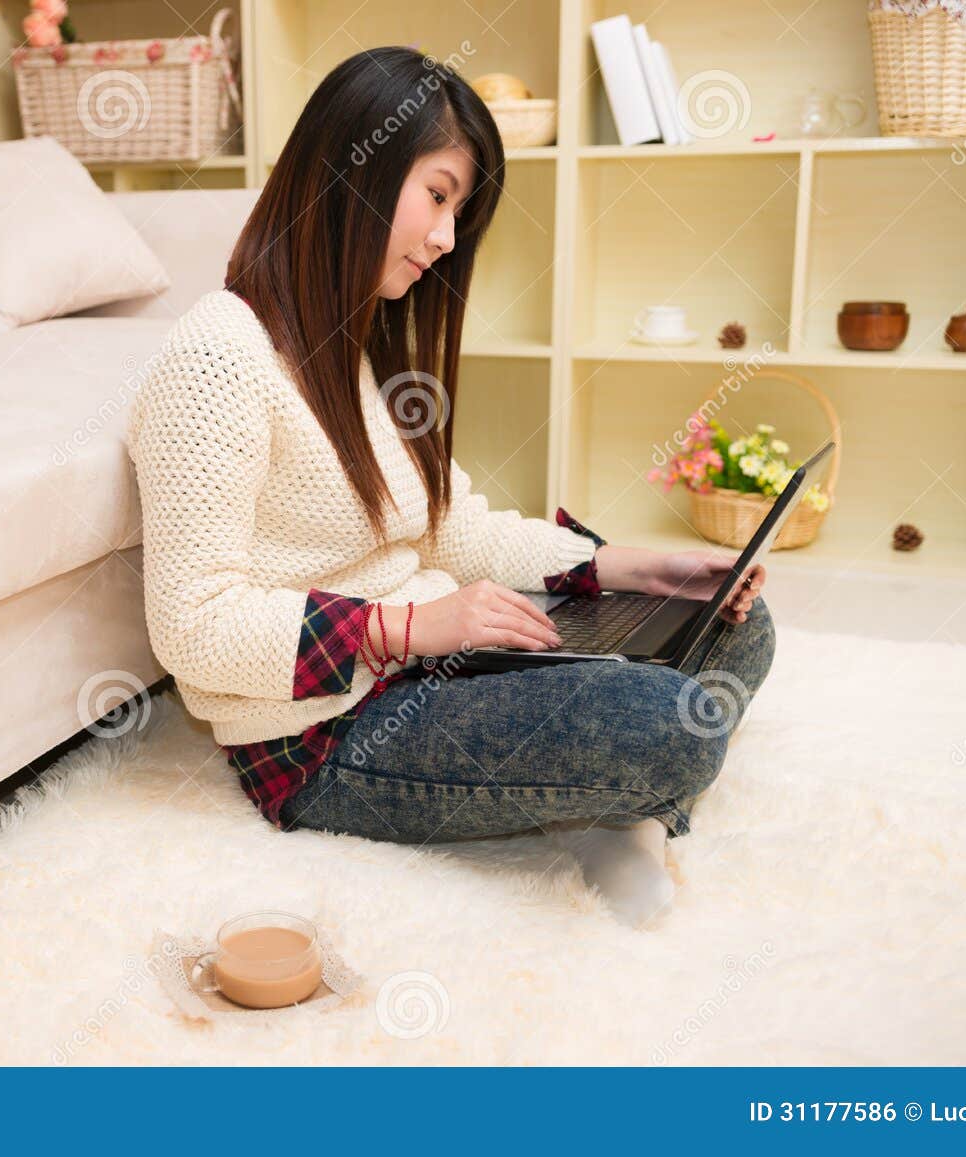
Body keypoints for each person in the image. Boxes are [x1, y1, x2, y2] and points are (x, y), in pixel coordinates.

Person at [126, 47, 774, 929]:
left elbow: (455, 532)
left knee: (735, 624)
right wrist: (411, 627)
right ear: (352, 167)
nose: (444, 239)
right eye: (437, 195)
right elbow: (191, 625)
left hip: (436, 665)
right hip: (327, 733)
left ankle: (614, 809)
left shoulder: (361, 353)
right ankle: (614, 809)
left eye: (457, 212)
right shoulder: (218, 351)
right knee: (669, 722)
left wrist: (636, 568)